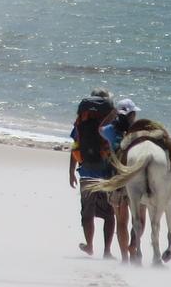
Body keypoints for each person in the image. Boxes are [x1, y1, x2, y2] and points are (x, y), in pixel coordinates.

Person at [68, 92, 117, 257]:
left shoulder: (81, 121)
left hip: (86, 173)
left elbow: (75, 146)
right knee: (109, 214)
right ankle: (107, 251)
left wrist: (70, 172)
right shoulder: (110, 124)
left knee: (87, 213)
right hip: (106, 175)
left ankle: (89, 245)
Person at [107, 98, 139, 257]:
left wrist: (110, 116)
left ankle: (125, 257)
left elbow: (99, 131)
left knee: (121, 222)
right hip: (136, 182)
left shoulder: (109, 131)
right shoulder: (139, 133)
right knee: (139, 219)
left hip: (117, 181)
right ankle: (134, 245)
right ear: (132, 114)